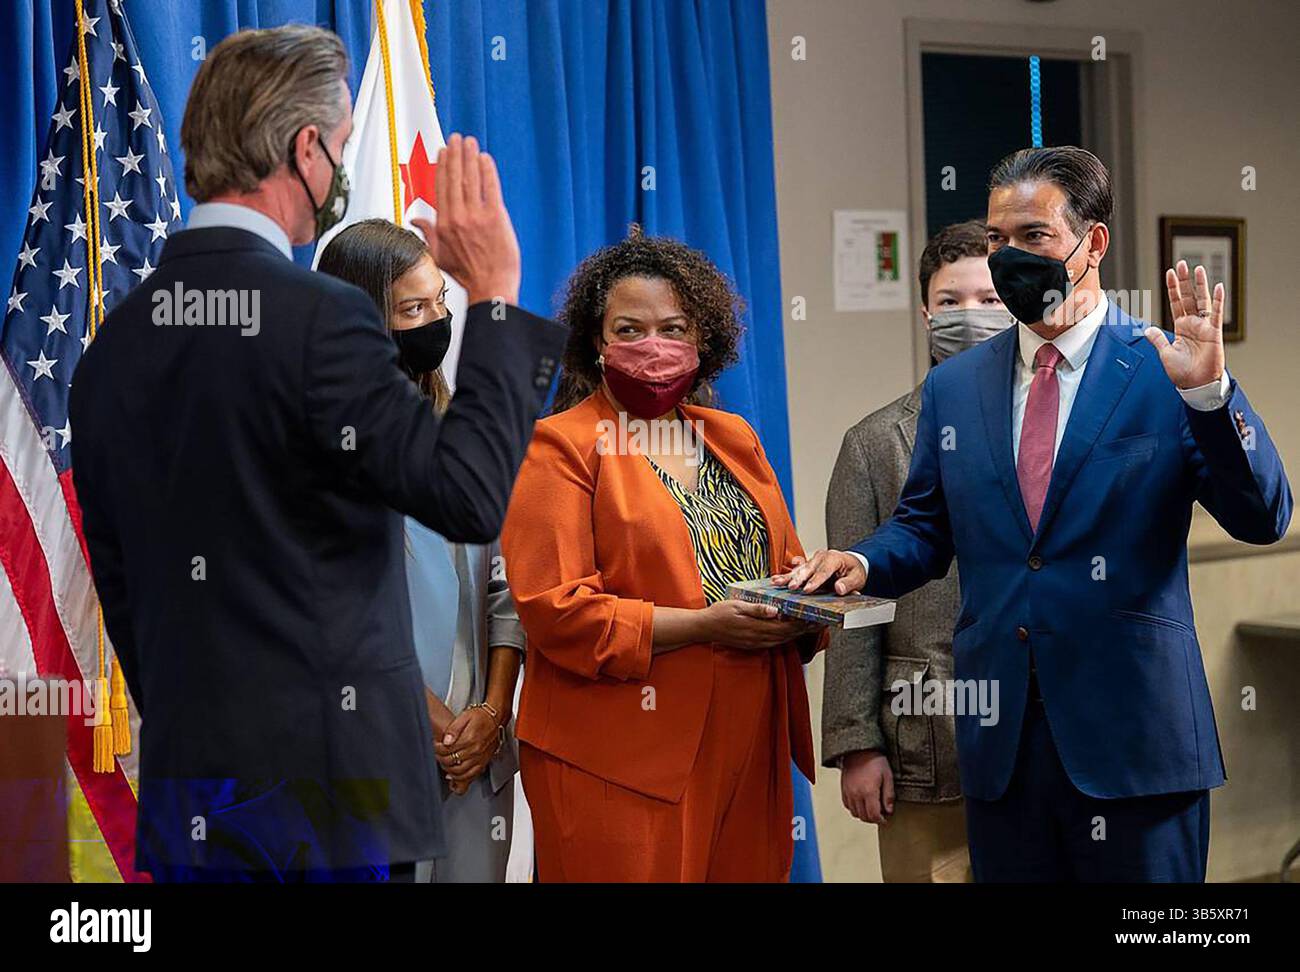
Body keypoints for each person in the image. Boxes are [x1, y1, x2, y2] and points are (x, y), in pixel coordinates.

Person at [68, 26, 565, 882]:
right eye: (336, 149)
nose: (336, 171)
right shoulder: (322, 319)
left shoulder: (110, 348)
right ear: (304, 150)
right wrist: (494, 296)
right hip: (338, 806)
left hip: (197, 794)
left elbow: (122, 588)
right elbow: (467, 496)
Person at [782, 146, 1291, 882]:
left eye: (1034, 238)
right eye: (997, 240)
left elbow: (1262, 517)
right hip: (1003, 746)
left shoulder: (1163, 365)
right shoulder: (958, 388)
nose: (1009, 257)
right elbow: (925, 529)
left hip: (1134, 744)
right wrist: (860, 560)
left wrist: (1211, 397)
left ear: (1094, 244)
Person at [500, 229, 826, 882]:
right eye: (629, 329)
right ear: (597, 342)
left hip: (749, 734)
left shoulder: (732, 437)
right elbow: (556, 610)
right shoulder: (561, 446)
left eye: (674, 328)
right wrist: (705, 624)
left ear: (702, 340)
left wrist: (818, 590)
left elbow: (783, 565)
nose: (654, 347)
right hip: (619, 753)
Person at [317, 219, 525, 883]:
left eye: (440, 302)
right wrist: (433, 724)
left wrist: (492, 713)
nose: (435, 322)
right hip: (375, 753)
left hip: (477, 759)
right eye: (412, 309)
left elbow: (506, 587)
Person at [822, 219, 1010, 882]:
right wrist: (856, 743)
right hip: (926, 734)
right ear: (926, 312)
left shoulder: (1052, 423)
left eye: (990, 300)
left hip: (1034, 732)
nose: (971, 316)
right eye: (952, 301)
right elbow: (852, 604)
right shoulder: (875, 443)